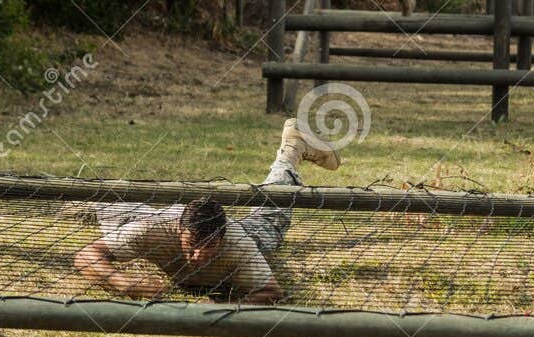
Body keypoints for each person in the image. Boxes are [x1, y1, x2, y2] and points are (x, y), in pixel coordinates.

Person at [72, 120, 342, 304]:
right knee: (108, 201)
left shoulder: (238, 243)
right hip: (155, 221)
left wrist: (224, 310)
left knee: (272, 220)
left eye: (208, 246)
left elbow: (271, 292)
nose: (198, 255)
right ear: (180, 231)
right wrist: (126, 285)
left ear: (222, 238)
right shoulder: (149, 229)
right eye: (191, 245)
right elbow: (86, 255)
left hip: (241, 233)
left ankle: (293, 148)